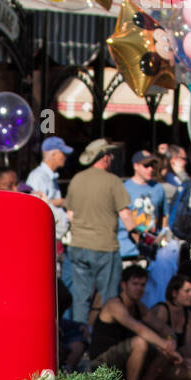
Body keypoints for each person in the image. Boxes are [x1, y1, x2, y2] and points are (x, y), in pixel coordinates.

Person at [66, 138, 134, 334]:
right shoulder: (113, 181)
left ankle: (79, 338)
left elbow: (70, 215)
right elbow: (125, 214)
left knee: (80, 297)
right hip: (105, 247)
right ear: (104, 158)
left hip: (78, 245)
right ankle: (104, 339)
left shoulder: (77, 179)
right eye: (110, 155)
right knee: (110, 298)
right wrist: (138, 235)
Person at [88, 262, 175, 380]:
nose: (139, 289)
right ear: (124, 285)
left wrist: (171, 341)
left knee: (163, 351)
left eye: (142, 285)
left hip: (121, 360)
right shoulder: (114, 305)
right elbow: (139, 328)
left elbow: (163, 328)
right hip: (101, 361)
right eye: (135, 284)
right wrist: (165, 343)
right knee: (140, 342)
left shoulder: (139, 307)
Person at [27, 136, 72, 202]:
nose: (65, 157)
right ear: (53, 155)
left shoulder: (50, 176)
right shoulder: (38, 177)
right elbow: (35, 205)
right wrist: (56, 203)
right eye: (63, 153)